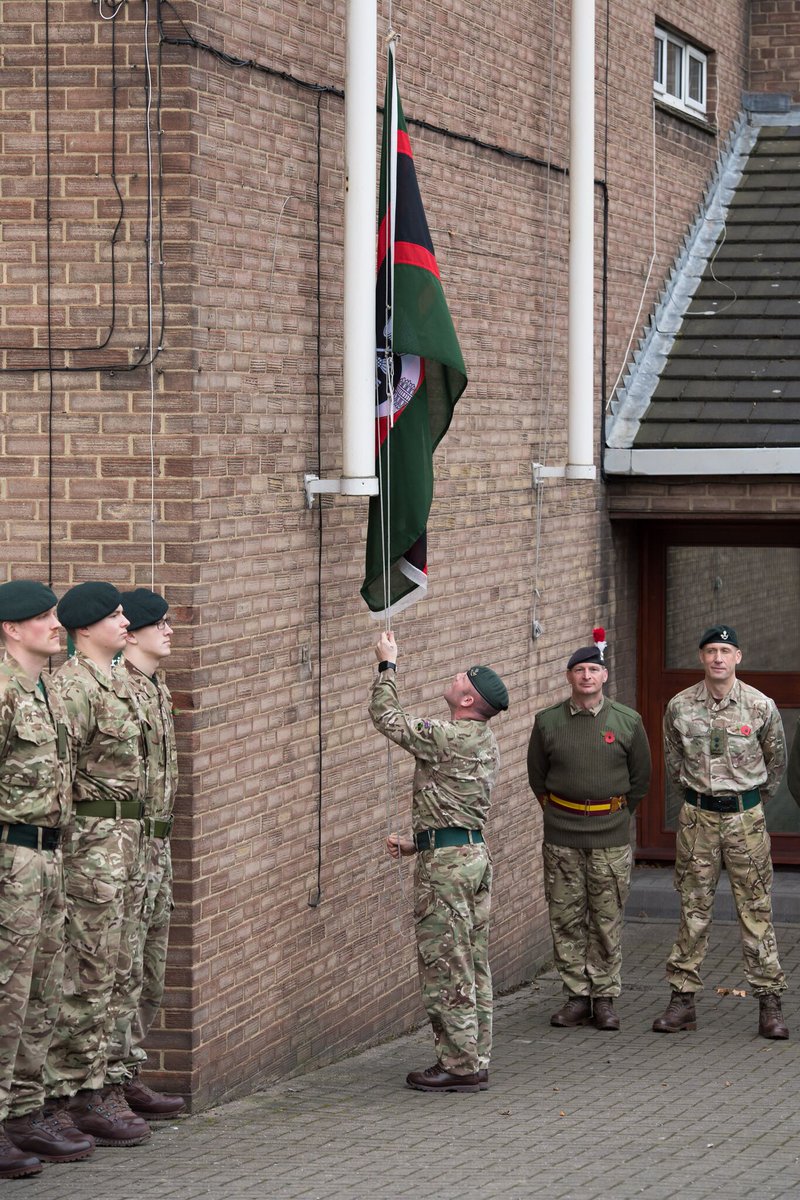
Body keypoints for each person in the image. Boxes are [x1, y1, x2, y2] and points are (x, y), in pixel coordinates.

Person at [368, 631, 508, 1094]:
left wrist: (388, 665)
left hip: (448, 869)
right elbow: (454, 802)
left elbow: (386, 718)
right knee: (472, 960)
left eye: (458, 679)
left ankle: (460, 1065)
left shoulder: (448, 736)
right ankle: (475, 1055)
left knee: (446, 962)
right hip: (467, 853)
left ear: (467, 698)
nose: (451, 679)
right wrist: (417, 843)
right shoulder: (481, 738)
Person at [44, 582, 152, 1146]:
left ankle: (100, 1082)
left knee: (118, 969)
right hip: (90, 844)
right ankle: (67, 1093)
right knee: (85, 971)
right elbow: (61, 769)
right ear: (84, 628)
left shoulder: (119, 682)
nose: (124, 623)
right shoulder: (71, 687)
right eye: (113, 617)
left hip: (125, 839)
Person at [652, 624, 788, 1039]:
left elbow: (775, 763)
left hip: (745, 820)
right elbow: (675, 765)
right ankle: (682, 1001)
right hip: (698, 821)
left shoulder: (760, 706)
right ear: (701, 658)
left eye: (725, 651)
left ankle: (769, 1004)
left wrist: (745, 802)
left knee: (756, 911)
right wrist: (703, 801)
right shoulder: (679, 707)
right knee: (693, 911)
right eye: (711, 651)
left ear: (738, 658)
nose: (718, 658)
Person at [0, 582, 95, 1179]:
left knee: (41, 992)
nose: (56, 626)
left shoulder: (46, 692)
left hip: (50, 858)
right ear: (11, 628)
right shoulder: (5, 690)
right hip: (11, 857)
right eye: (43, 619)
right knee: (6, 996)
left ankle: (24, 1114)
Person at [527, 642, 651, 1032]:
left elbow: (640, 781)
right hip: (562, 835)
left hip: (609, 837)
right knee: (565, 918)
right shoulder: (547, 722)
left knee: (606, 919)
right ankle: (577, 997)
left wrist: (614, 815)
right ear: (569, 677)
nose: (586, 677)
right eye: (579, 670)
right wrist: (562, 814)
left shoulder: (627, 721)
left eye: (593, 671)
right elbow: (537, 778)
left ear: (604, 676)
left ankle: (605, 997)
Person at [106, 588, 185, 1119]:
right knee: (121, 965)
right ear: (130, 633)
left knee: (150, 968)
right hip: (123, 848)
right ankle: (106, 1081)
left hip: (157, 845)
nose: (169, 630)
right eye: (158, 623)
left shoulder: (157, 690)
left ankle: (128, 1070)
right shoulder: (118, 689)